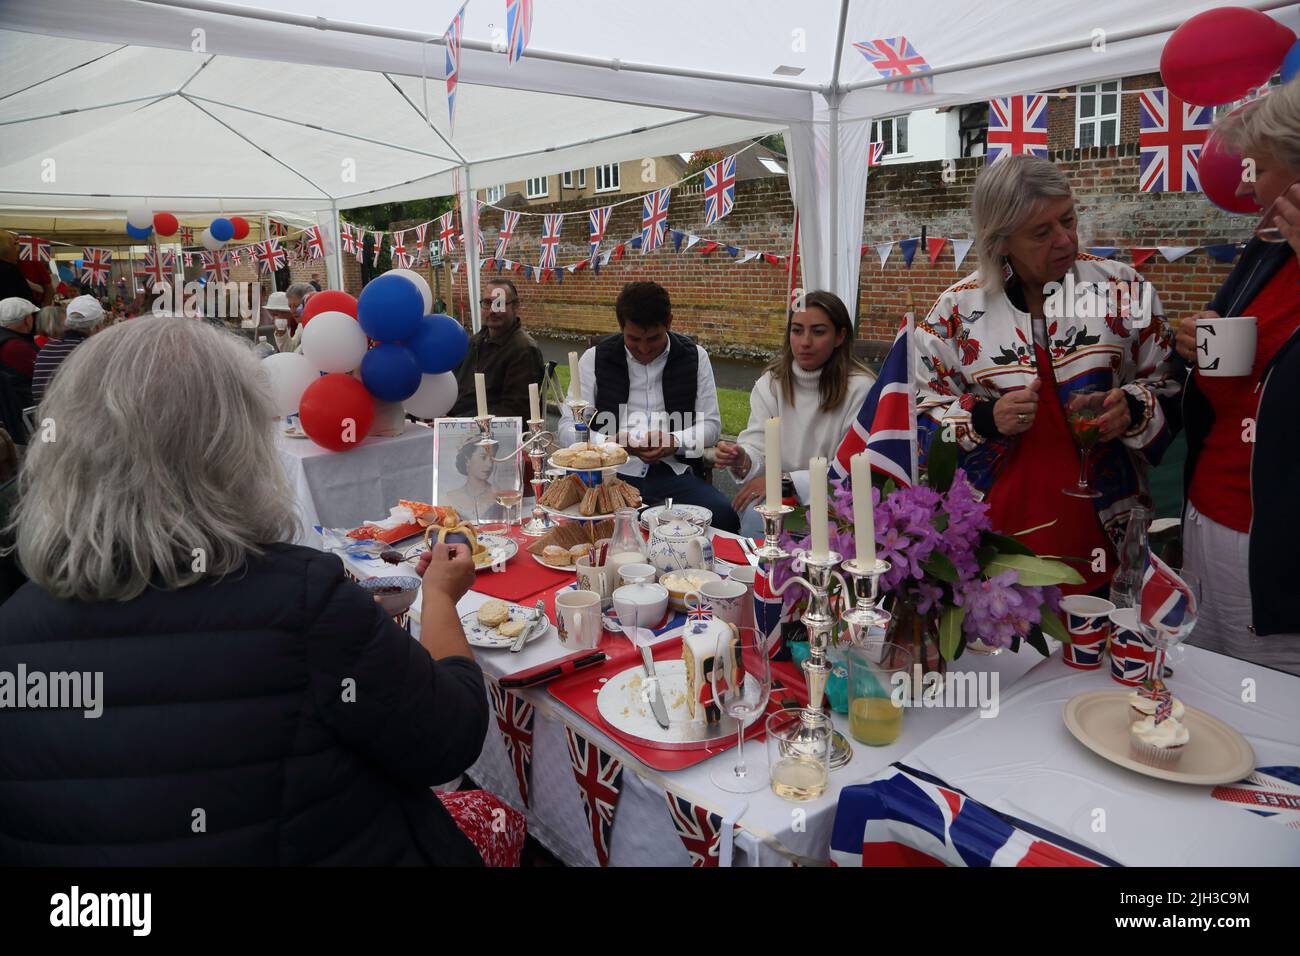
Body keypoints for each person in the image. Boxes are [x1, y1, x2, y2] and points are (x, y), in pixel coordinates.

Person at [0, 316, 500, 865]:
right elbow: (449, 740)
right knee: (499, 818)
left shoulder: (14, 627)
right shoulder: (300, 601)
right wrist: (441, 601)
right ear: (234, 447)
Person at [913, 154, 1180, 595]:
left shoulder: (1124, 289)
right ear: (1000, 241)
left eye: (1068, 220)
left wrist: (1132, 407)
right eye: (1042, 232)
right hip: (992, 540)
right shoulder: (955, 312)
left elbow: (1171, 384)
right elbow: (919, 418)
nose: (1065, 240)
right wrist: (985, 417)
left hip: (1106, 529)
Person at [1172, 77, 1300, 675]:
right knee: (1201, 689)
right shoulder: (1269, 249)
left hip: (1278, 549)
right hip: (1210, 512)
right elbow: (1238, 371)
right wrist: (1200, 344)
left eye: (1260, 168)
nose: (1247, 184)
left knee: (1270, 725)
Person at [559, 281, 738, 532]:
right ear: (621, 327)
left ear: (669, 322)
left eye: (653, 338)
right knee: (580, 524)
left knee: (723, 516)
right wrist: (609, 444)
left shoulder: (695, 356)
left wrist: (673, 441)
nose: (644, 348)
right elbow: (568, 427)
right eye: (633, 339)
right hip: (609, 474)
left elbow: (711, 426)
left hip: (672, 473)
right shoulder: (595, 358)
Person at [715, 291, 876, 537]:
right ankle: (762, 576)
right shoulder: (772, 383)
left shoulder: (861, 389)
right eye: (797, 330)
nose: (805, 342)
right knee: (754, 519)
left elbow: (849, 469)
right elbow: (757, 449)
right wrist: (743, 460)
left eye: (819, 332)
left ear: (840, 336)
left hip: (839, 505)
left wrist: (782, 482)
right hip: (779, 498)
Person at [449, 278, 545, 421]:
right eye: (487, 303)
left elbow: (515, 411)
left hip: (490, 434)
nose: (493, 310)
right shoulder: (474, 342)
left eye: (500, 303)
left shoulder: (523, 350)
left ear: (515, 306)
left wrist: (458, 421)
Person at [32, 295, 104, 403]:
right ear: (97, 327)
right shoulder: (93, 352)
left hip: (45, 415)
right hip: (77, 416)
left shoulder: (47, 349)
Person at [441, 435, 504, 524]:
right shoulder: (450, 497)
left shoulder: (500, 495)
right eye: (483, 457)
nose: (489, 465)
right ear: (467, 460)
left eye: (492, 458)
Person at [0, 296, 39, 411]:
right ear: (27, 320)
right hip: (29, 407)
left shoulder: (7, 340)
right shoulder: (16, 347)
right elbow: (43, 375)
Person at [272, 283, 313, 353]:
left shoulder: (319, 326)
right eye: (290, 306)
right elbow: (290, 351)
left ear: (309, 303)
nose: (292, 311)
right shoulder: (301, 325)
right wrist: (281, 334)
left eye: (296, 306)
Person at [0, 233, 40, 305]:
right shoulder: (10, 270)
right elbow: (26, 302)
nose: (18, 249)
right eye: (14, 244)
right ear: (5, 248)